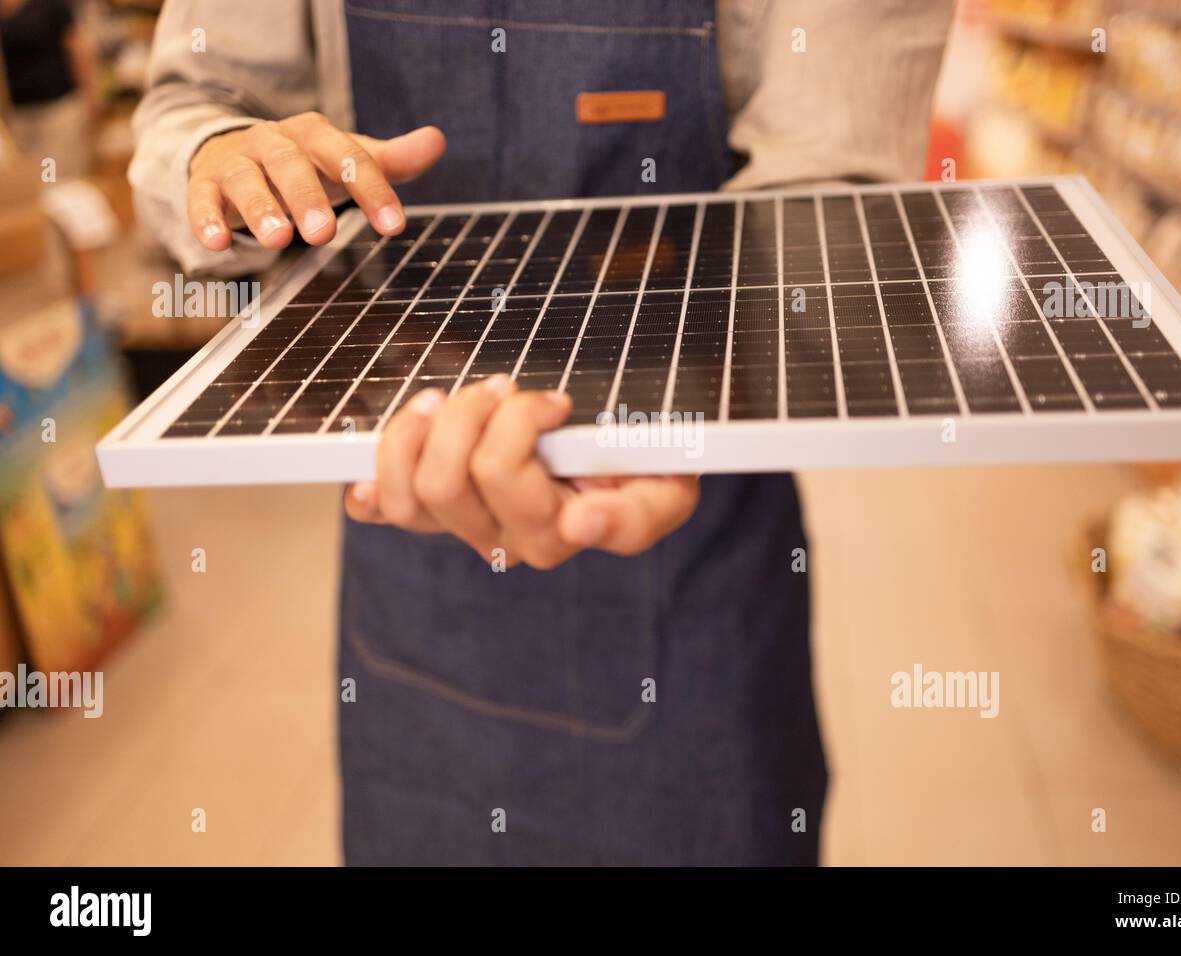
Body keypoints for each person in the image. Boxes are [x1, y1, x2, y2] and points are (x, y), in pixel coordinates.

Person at [131, 0, 952, 865]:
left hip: (690, 548)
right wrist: (221, 158)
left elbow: (831, 182)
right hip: (407, 519)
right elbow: (196, 98)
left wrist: (688, 394)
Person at [1, 0, 101, 178]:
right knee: (32, 181)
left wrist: (90, 94)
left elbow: (77, 46)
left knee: (54, 177)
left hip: (58, 110)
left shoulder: (48, 5)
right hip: (19, 117)